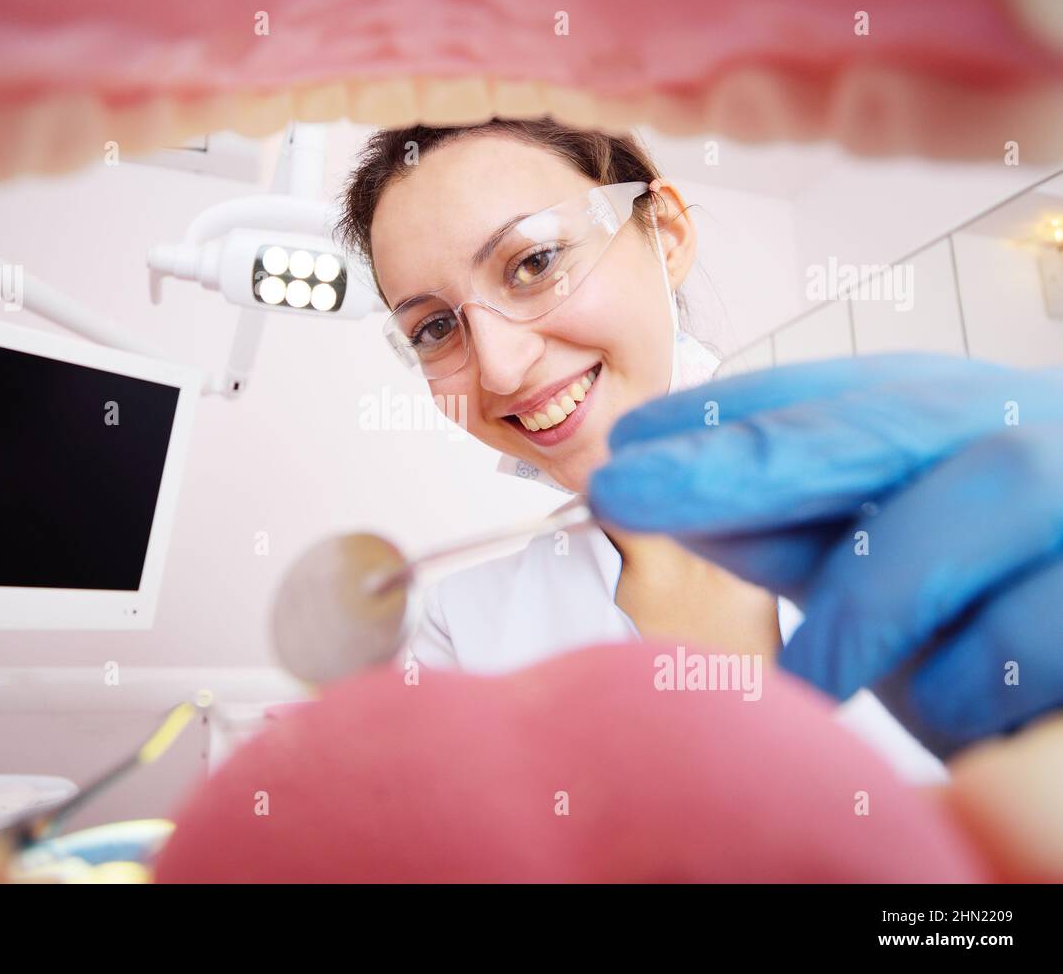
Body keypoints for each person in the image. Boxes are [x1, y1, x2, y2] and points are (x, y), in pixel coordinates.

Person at [332, 116, 1063, 773]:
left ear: (667, 234)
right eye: (433, 328)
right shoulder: (460, 631)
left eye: (535, 262)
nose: (498, 365)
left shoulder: (932, 513)